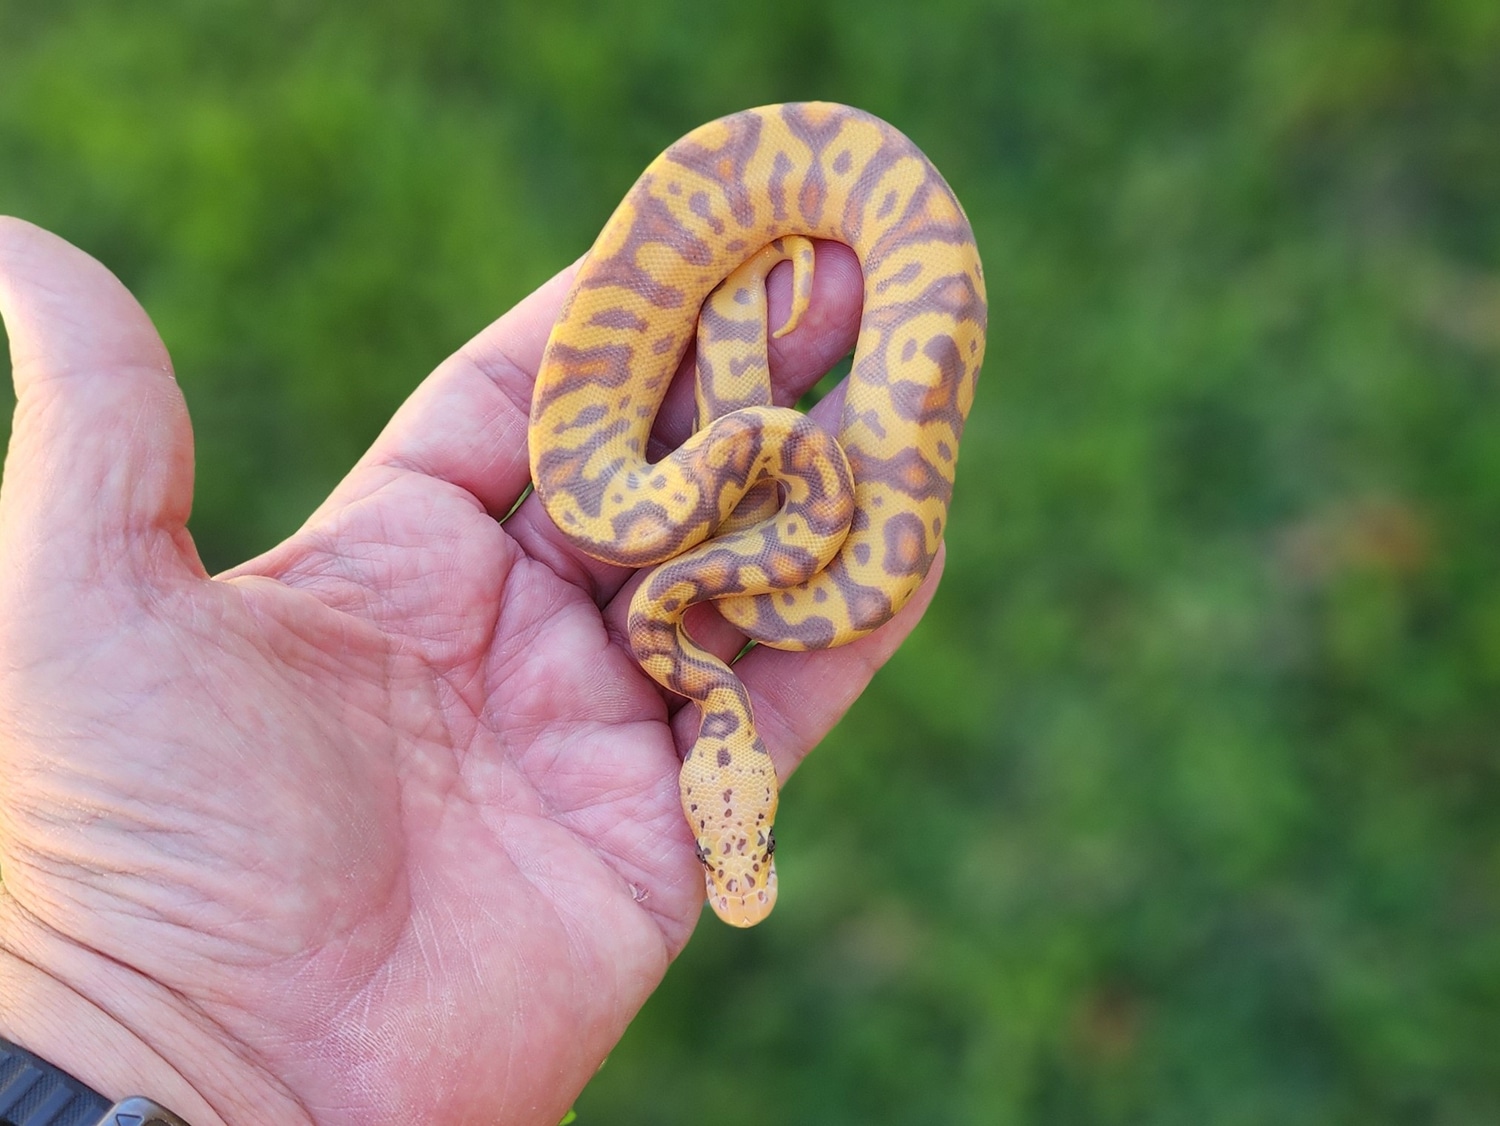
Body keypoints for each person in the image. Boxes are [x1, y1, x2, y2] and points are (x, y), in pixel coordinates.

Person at [0, 217, 942, 1125]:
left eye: (726, 849)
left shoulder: (700, 604)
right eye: (743, 846)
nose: (732, 855)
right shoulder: (705, 605)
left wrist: (129, 1002)